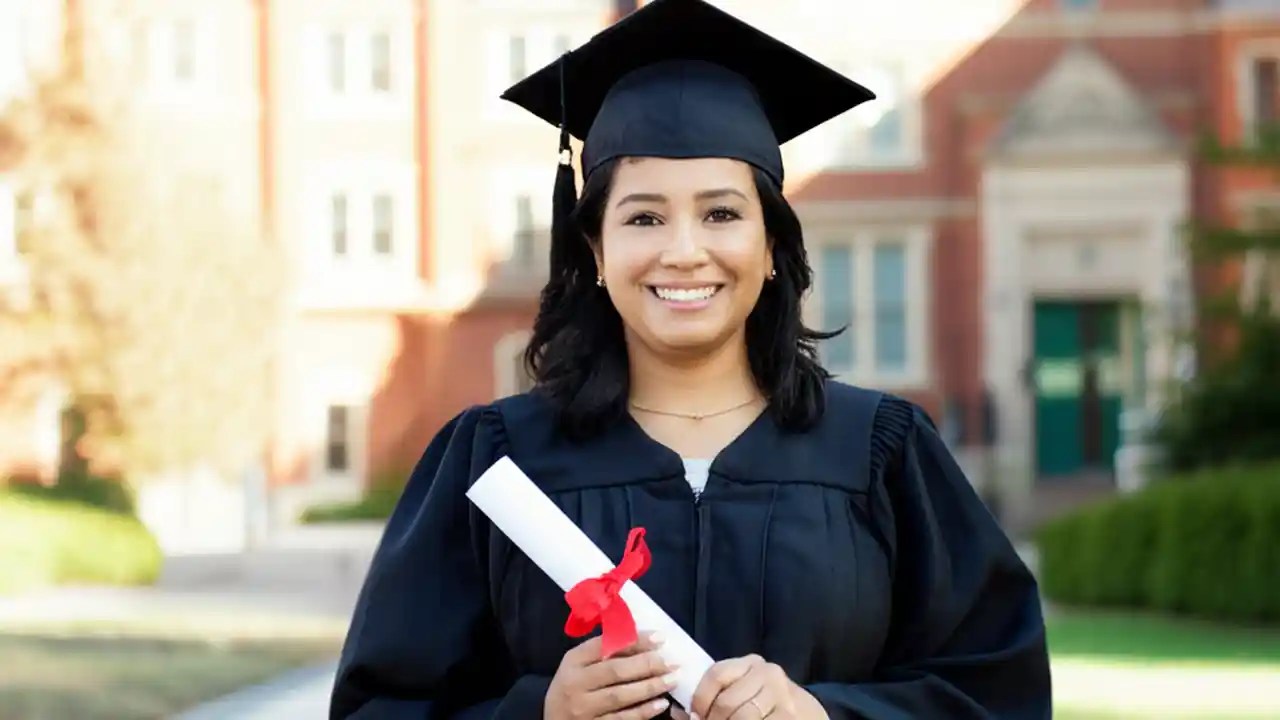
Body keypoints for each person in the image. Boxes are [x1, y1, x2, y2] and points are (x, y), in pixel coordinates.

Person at [329, 0, 1052, 718]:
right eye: (644, 217)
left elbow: (999, 697)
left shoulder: (879, 455)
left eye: (722, 213)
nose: (683, 251)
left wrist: (825, 717)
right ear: (597, 253)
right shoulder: (497, 461)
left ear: (772, 246)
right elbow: (376, 709)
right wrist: (540, 716)